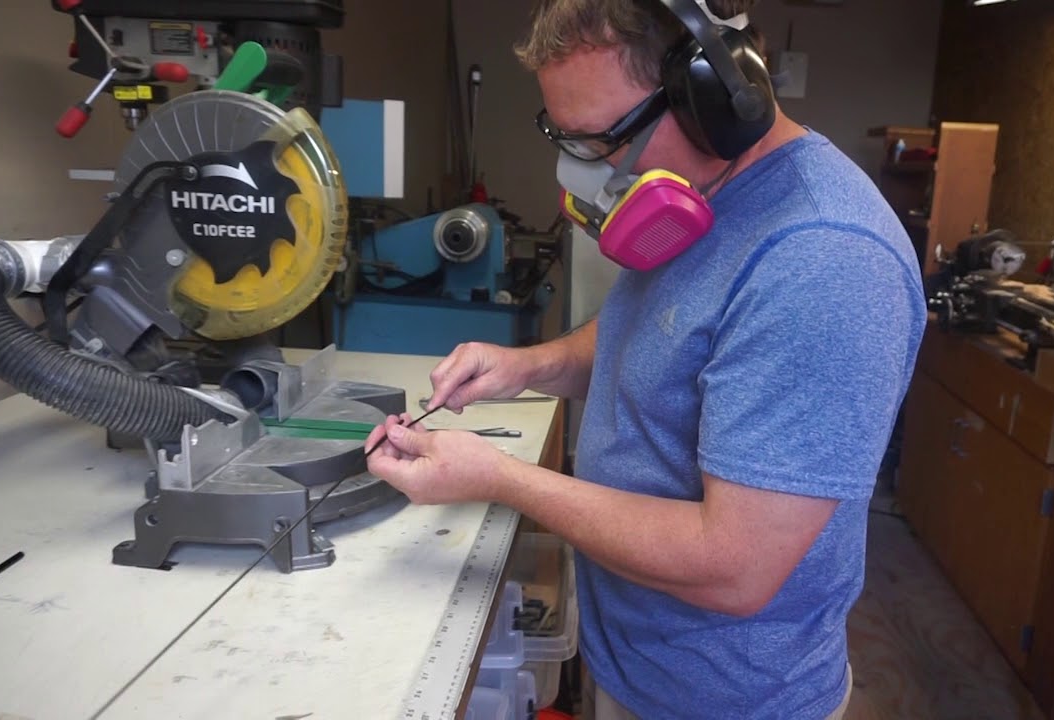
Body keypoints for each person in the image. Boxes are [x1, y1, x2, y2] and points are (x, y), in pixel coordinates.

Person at [365, 1, 926, 717]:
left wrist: (498, 476)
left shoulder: (824, 261)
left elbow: (734, 569)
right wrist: (527, 366)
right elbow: (655, 332)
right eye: (560, 135)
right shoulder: (701, 194)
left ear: (714, 103)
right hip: (635, 662)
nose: (576, 170)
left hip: (722, 697)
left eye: (597, 141)